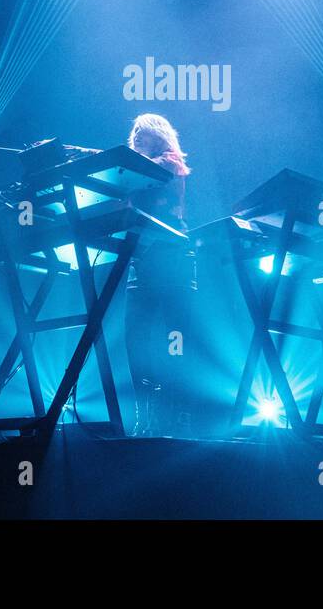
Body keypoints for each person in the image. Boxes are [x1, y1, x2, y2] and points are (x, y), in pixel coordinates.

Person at [124, 113, 194, 436]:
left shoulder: (166, 163)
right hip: (143, 263)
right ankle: (145, 414)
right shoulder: (133, 169)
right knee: (135, 338)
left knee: (174, 341)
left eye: (143, 130)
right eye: (134, 131)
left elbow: (148, 204)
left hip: (171, 261)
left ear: (160, 135)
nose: (136, 134)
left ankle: (176, 413)